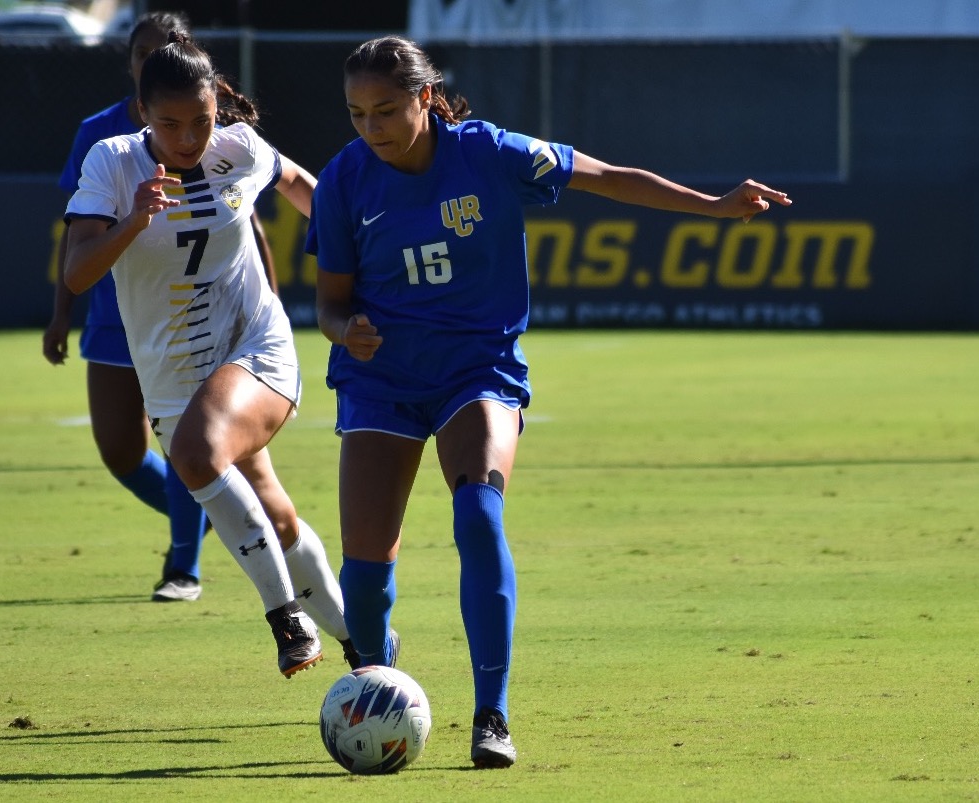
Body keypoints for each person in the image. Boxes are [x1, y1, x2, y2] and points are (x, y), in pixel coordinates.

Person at [307, 35, 792, 767]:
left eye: (385, 110)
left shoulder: (488, 151)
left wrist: (714, 207)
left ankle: (490, 714)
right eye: (355, 114)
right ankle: (373, 679)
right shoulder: (343, 180)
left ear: (426, 99)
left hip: (477, 371)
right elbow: (329, 306)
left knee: (476, 510)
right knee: (366, 577)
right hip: (381, 381)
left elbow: (609, 175)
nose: (370, 128)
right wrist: (352, 330)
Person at [64, 31, 358, 677]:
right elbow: (77, 272)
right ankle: (364, 646)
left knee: (196, 453)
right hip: (170, 371)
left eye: (200, 120)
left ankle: (286, 619)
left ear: (216, 108)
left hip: (255, 343)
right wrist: (133, 222)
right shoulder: (110, 161)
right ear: (142, 113)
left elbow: (308, 190)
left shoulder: (241, 148)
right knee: (276, 517)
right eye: (170, 123)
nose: (189, 137)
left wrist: (361, 252)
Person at [43, 12, 278, 604]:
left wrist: (267, 302)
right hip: (115, 314)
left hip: (200, 317)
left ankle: (184, 565)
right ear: (131, 67)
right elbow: (76, 236)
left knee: (188, 440)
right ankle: (206, 517)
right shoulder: (100, 140)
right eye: (143, 52)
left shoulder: (214, 133)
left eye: (165, 50)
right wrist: (60, 315)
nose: (153, 59)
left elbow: (249, 218)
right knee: (121, 451)